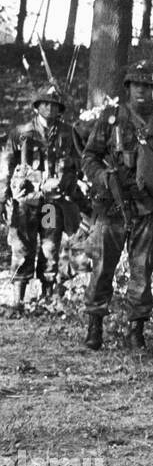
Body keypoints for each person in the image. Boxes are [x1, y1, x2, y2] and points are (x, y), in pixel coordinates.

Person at [82, 62, 153, 350]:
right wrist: (103, 178)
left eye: (148, 86)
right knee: (102, 266)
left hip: (148, 208)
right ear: (128, 88)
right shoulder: (111, 118)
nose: (143, 91)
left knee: (143, 270)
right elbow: (89, 157)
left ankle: (137, 330)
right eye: (137, 85)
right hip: (111, 206)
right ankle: (94, 326)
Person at [0, 83, 83, 312]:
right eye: (45, 104)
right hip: (26, 201)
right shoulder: (21, 132)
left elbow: (80, 164)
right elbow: (8, 166)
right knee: (22, 247)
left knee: (49, 247)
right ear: (37, 106)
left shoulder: (68, 133)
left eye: (54, 105)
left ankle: (46, 298)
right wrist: (3, 195)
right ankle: (18, 300)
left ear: (60, 109)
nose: (49, 108)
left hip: (50, 204)